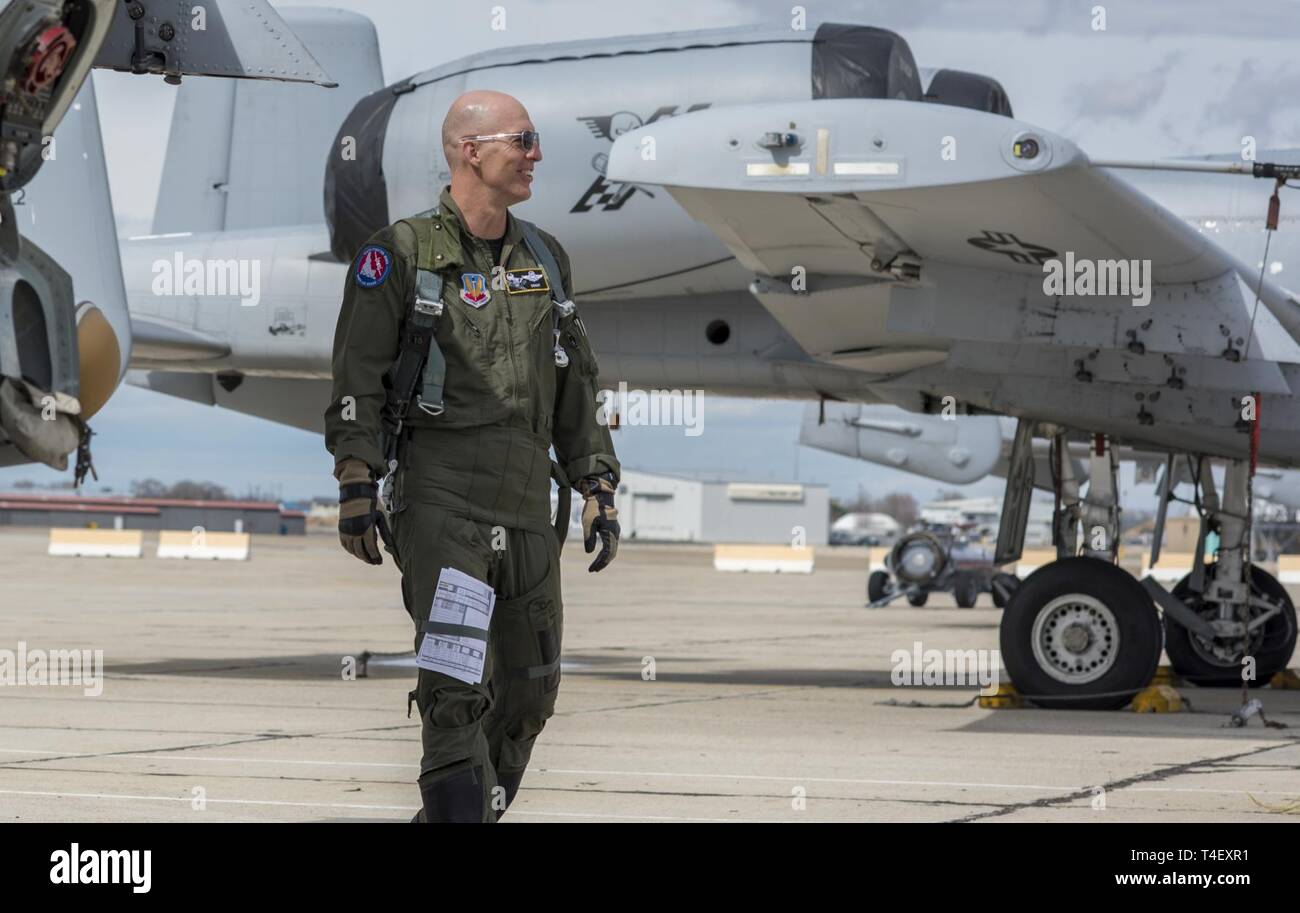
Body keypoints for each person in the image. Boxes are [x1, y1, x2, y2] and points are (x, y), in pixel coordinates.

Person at [324, 89, 620, 823]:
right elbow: (357, 376)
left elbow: (574, 381)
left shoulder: (547, 258)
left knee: (530, 692)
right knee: (454, 690)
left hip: (527, 509)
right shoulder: (398, 253)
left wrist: (597, 483)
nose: (536, 155)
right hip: (444, 501)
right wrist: (357, 480)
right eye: (522, 140)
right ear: (470, 151)